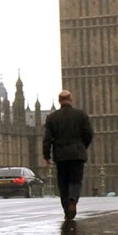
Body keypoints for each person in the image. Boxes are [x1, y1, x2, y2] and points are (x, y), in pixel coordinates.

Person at [42, 90, 93, 221]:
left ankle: (66, 209)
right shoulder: (81, 115)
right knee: (75, 181)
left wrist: (46, 156)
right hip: (77, 155)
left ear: (59, 101)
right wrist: (82, 146)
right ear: (71, 99)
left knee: (63, 183)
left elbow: (47, 139)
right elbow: (88, 134)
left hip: (60, 156)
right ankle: (73, 199)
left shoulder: (52, 117)